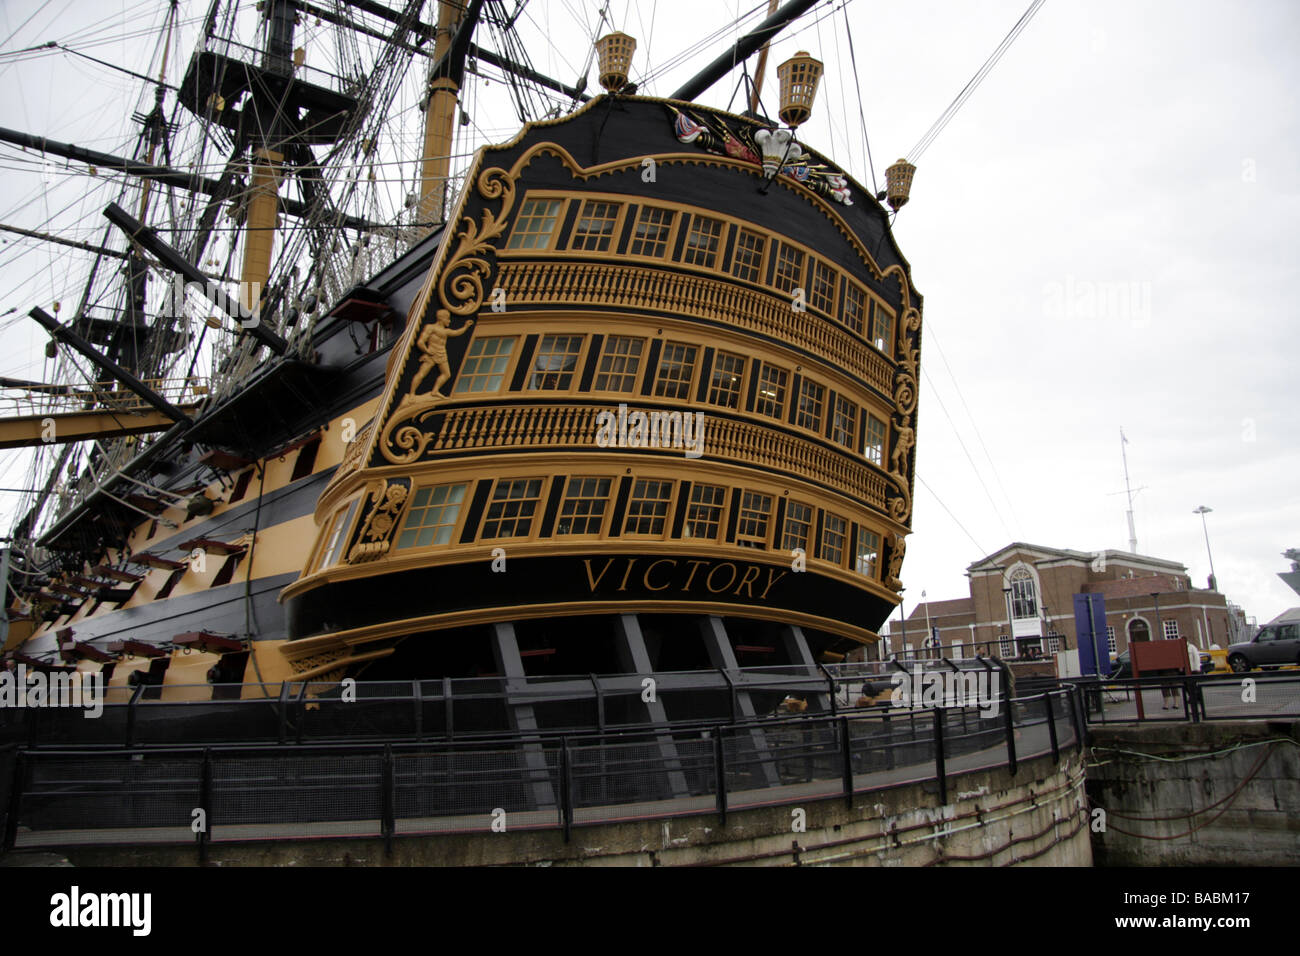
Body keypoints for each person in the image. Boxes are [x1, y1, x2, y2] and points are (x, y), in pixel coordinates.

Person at [409, 309, 474, 397]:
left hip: (442, 354)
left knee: (447, 374)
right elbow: (420, 342)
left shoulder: (445, 331)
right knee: (422, 374)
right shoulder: (431, 327)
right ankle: (411, 394)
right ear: (441, 318)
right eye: (448, 319)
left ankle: (435, 391)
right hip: (431, 354)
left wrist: (466, 326)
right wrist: (427, 351)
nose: (449, 321)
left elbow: (456, 332)